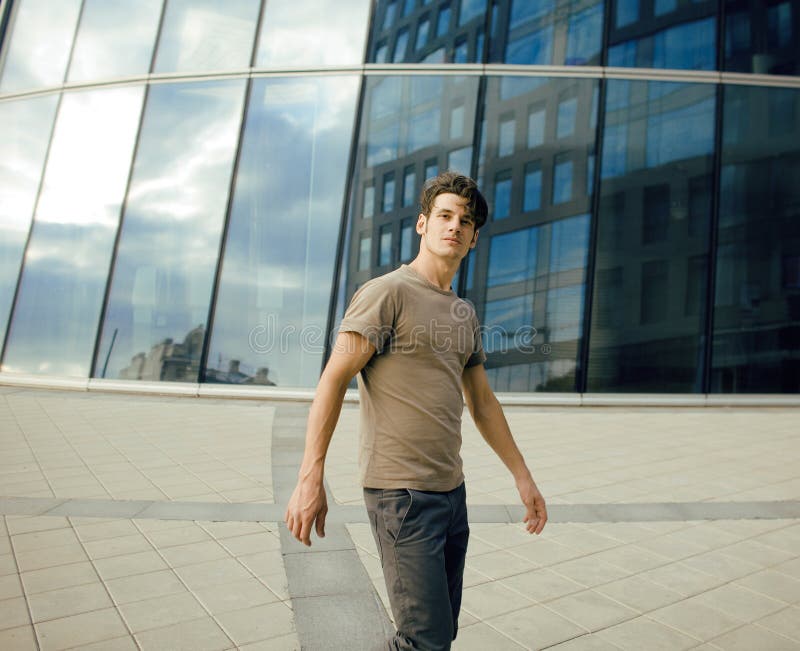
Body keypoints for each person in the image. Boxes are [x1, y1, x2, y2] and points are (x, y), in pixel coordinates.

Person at [285, 171, 547, 650]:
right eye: (444, 215)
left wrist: (522, 476)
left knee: (437, 637)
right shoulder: (386, 293)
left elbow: (483, 403)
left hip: (451, 494)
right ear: (423, 225)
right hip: (400, 495)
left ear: (473, 237)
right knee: (425, 640)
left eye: (465, 221)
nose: (455, 226)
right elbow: (333, 380)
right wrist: (310, 477)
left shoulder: (463, 313)